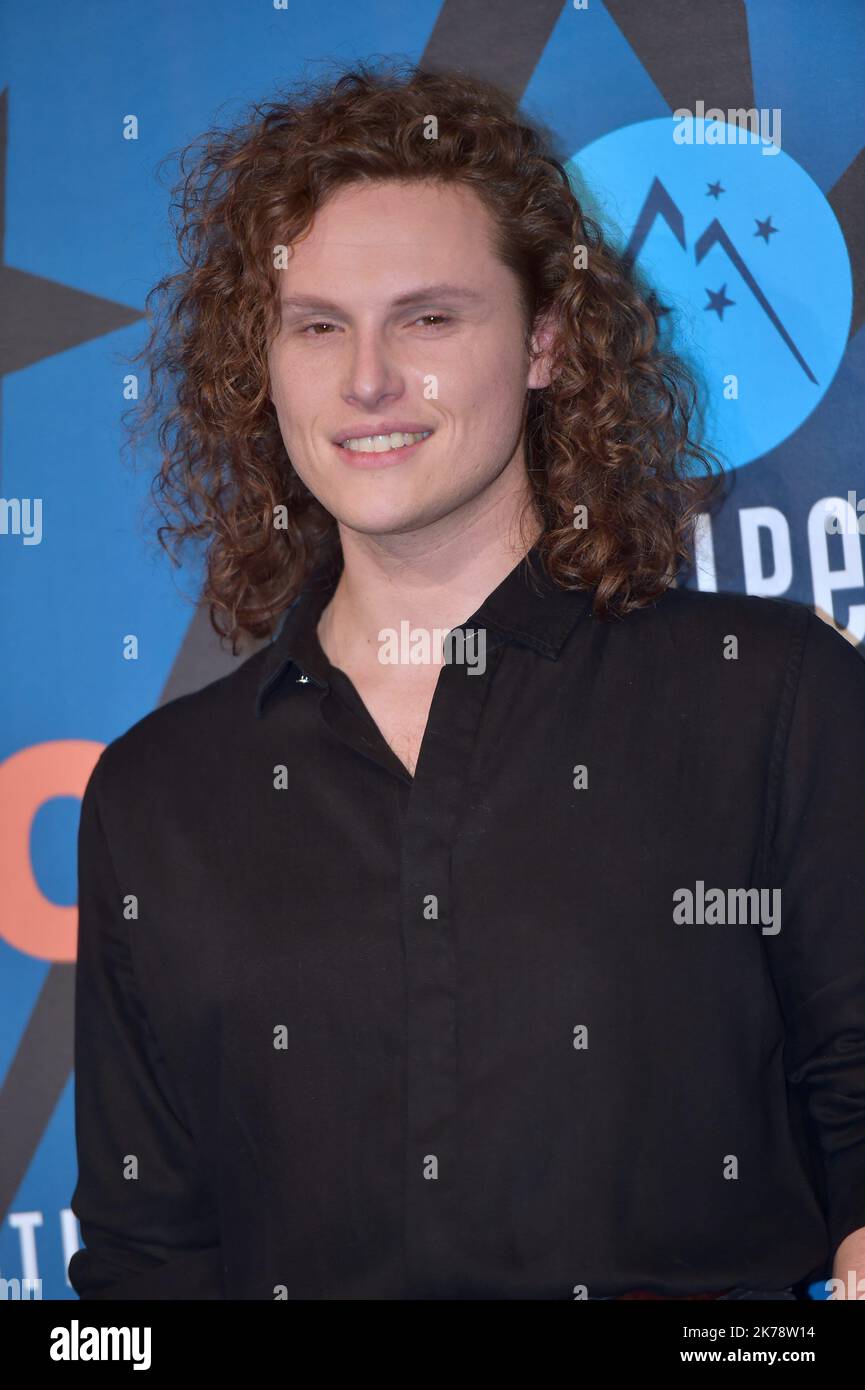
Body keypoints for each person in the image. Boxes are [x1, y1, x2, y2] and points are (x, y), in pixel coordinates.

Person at [68, 60, 865, 1301]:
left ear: (546, 342)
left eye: (429, 318)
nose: (368, 379)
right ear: (262, 364)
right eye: (317, 325)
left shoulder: (768, 701)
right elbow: (144, 1257)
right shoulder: (156, 797)